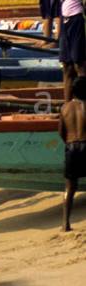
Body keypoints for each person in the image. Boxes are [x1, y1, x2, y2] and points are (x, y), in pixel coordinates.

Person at [47, 0, 86, 101]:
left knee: (80, 64)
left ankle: (82, 101)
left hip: (79, 20)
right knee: (67, 65)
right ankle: (67, 103)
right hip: (65, 20)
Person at [58, 75, 86, 231]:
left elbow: (61, 131)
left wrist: (69, 144)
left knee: (70, 187)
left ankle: (65, 223)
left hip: (71, 147)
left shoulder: (65, 107)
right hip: (85, 143)